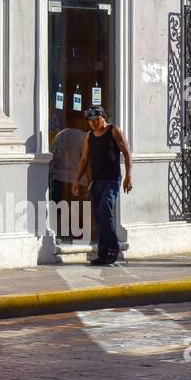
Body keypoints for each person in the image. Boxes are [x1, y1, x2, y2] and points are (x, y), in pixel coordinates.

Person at [72, 106, 133, 266]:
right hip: (96, 181)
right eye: (90, 121)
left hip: (112, 180)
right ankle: (102, 253)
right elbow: (84, 159)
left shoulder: (113, 131)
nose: (92, 123)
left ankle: (113, 247)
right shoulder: (89, 136)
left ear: (103, 117)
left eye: (95, 120)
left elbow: (126, 153)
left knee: (105, 209)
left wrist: (128, 176)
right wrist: (77, 180)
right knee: (99, 217)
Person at [50, 127, 87, 240]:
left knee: (60, 208)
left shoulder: (59, 135)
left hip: (59, 176)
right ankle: (78, 235)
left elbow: (53, 155)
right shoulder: (84, 136)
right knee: (77, 208)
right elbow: (86, 159)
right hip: (78, 179)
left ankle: (59, 233)